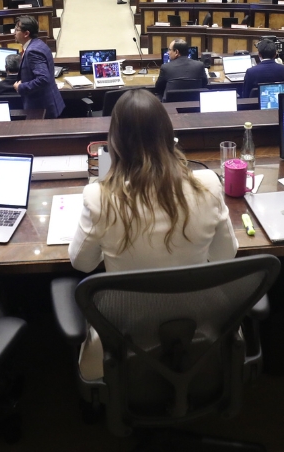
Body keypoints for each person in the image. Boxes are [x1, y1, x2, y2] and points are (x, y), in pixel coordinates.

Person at [68, 89, 237, 379]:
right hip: (197, 327)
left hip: (126, 330)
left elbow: (82, 264)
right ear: (168, 136)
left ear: (115, 142)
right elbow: (225, 254)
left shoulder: (98, 196)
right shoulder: (208, 183)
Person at [13, 15, 64, 120]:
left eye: (17, 30)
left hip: (42, 108)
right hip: (47, 103)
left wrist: (21, 87)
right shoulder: (39, 43)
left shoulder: (32, 51)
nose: (14, 32)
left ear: (26, 33)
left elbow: (43, 79)